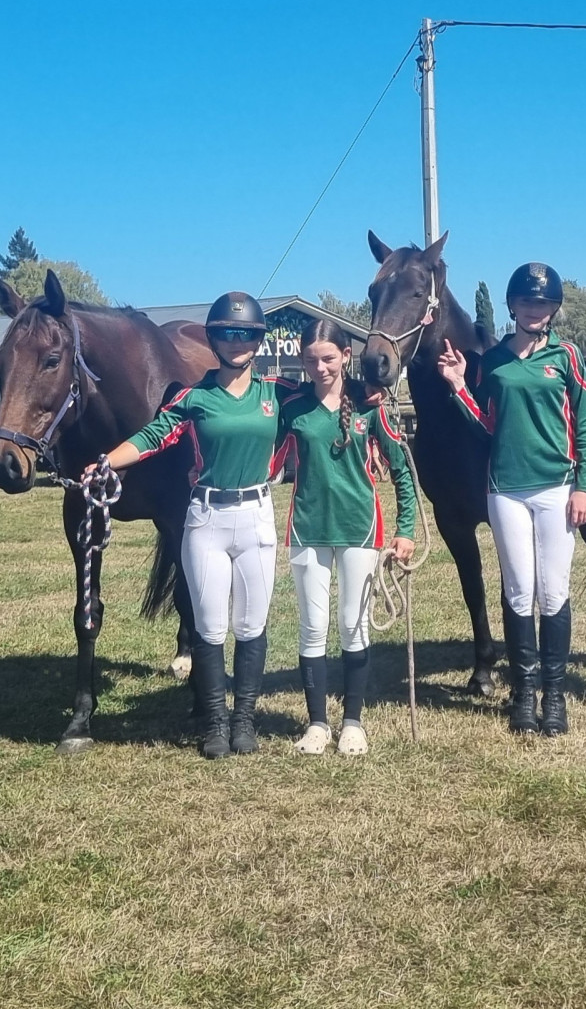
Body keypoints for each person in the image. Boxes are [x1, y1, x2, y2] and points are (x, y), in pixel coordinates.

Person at [88, 292, 282, 759]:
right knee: (210, 626)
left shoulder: (277, 394)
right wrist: (105, 463)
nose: (235, 341)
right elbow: (152, 436)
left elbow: (331, 398)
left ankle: (244, 720)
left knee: (251, 624)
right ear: (213, 340)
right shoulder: (192, 397)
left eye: (245, 334)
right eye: (226, 333)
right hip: (207, 518)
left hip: (256, 515)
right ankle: (215, 721)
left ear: (257, 342)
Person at [437, 262, 586, 737]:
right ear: (513, 306)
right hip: (505, 489)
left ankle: (555, 695)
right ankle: (523, 694)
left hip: (556, 488)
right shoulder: (495, 360)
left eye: (543, 303)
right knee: (519, 591)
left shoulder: (568, 356)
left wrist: (585, 484)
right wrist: (460, 386)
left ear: (552, 309)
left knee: (554, 592)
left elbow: (584, 426)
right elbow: (486, 425)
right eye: (527, 302)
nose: (534, 309)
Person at [274, 319, 419, 756]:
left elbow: (402, 469)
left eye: (328, 358)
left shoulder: (368, 403)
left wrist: (406, 528)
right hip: (307, 529)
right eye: (311, 360)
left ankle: (352, 722)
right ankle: (317, 724)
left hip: (361, 530)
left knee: (353, 628)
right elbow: (259, 448)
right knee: (312, 628)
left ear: (346, 356)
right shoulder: (292, 406)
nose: (320, 367)